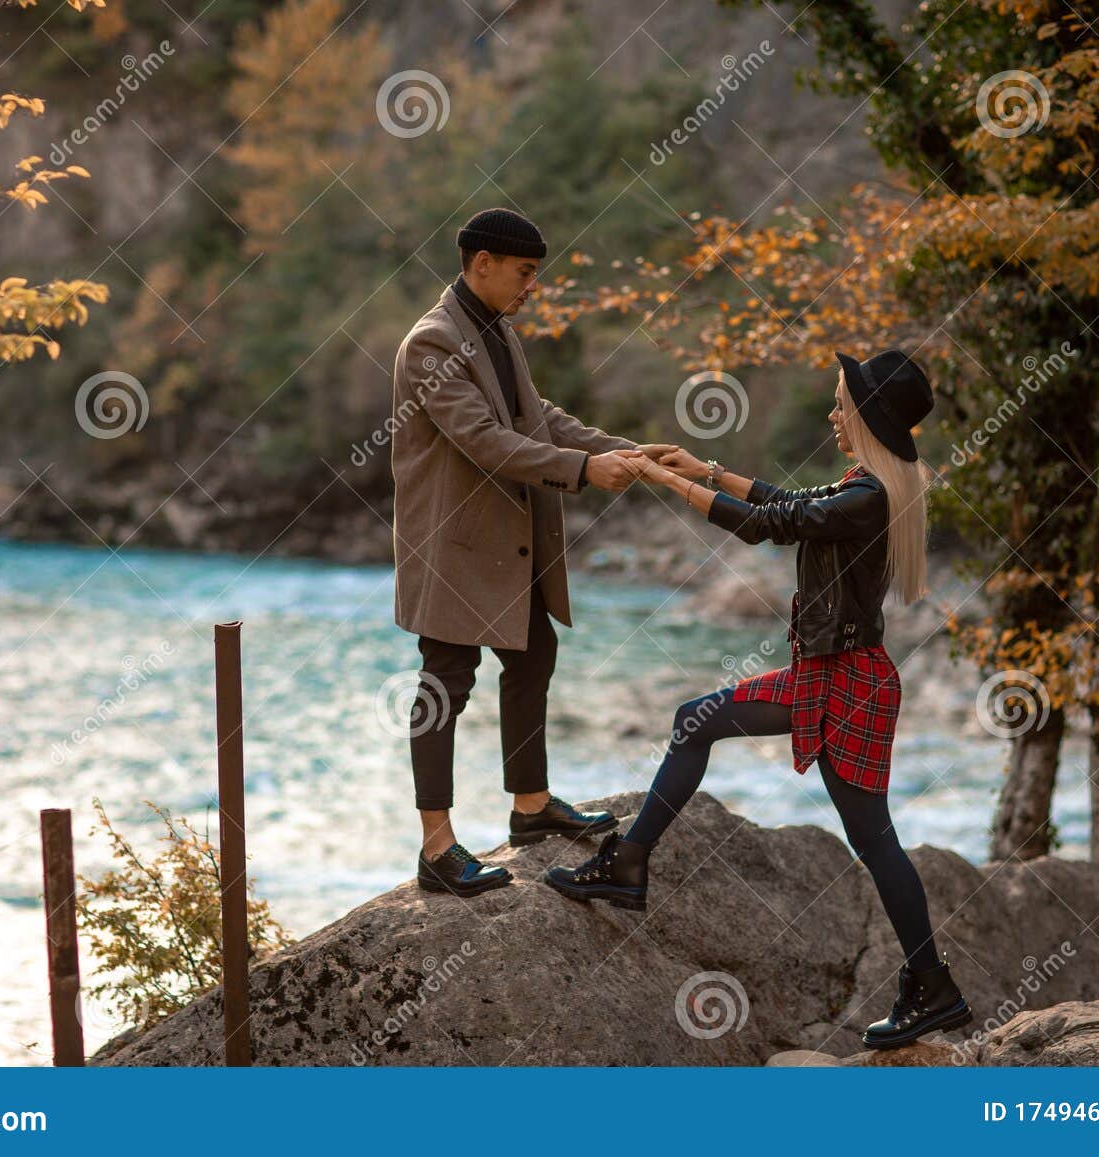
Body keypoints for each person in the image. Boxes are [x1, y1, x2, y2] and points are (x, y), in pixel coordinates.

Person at [544, 348, 973, 1050]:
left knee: (868, 835)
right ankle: (933, 986)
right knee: (708, 729)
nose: (834, 413)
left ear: (868, 417)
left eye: (842, 403)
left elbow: (759, 526)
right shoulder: (863, 487)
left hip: (847, 683)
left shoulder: (869, 498)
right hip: (833, 675)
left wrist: (655, 476)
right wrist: (701, 467)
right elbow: (785, 504)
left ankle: (933, 986)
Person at [390, 207, 679, 898]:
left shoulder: (495, 331)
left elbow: (539, 419)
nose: (531, 287)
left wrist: (622, 452)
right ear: (481, 262)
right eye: (524, 273)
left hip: (498, 548)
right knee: (444, 684)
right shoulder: (431, 344)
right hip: (454, 550)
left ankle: (529, 807)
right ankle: (436, 846)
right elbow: (487, 442)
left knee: (533, 652)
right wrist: (583, 472)